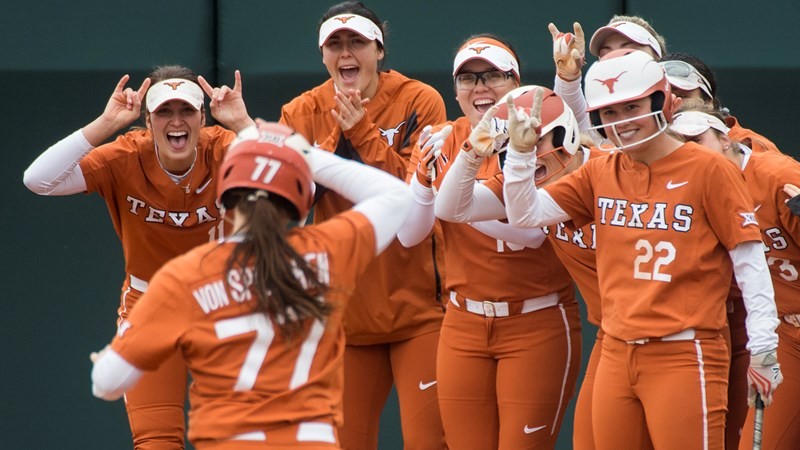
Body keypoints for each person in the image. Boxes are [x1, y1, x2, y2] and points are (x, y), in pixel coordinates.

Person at [499, 49, 782, 449]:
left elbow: (750, 260)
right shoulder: (601, 168)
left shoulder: (709, 167)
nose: (622, 122)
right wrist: (521, 156)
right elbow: (525, 213)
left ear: (660, 101)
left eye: (631, 106)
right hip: (616, 350)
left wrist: (764, 346)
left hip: (685, 350)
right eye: (609, 113)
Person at [91, 122, 414, 449]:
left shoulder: (187, 275)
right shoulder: (325, 251)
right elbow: (398, 195)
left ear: (227, 190)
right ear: (299, 195)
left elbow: (107, 383)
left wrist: (111, 357)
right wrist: (302, 155)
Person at [23, 65, 254, 449]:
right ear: (147, 121)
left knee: (235, 439)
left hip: (223, 303)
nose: (176, 121)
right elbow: (38, 180)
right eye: (164, 112)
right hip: (150, 304)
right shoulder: (126, 155)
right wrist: (105, 123)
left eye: (187, 111)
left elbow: (305, 176)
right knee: (155, 440)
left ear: (203, 118)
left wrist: (245, 123)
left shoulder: (227, 147)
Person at [278, 2, 448, 448]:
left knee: (429, 442)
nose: (346, 52)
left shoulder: (419, 99)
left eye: (357, 42)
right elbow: (287, 204)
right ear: (322, 55)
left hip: (419, 309)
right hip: (346, 314)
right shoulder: (302, 111)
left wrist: (364, 134)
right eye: (335, 44)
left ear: (379, 49)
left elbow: (418, 194)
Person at [402, 36, 582, 449]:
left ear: (516, 82)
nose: (479, 87)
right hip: (463, 319)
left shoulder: (545, 134)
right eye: (467, 78)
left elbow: (531, 234)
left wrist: (456, 191)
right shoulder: (444, 138)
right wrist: (427, 183)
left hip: (535, 317)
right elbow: (409, 234)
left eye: (493, 76)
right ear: (455, 89)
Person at [670, 107, 800, 449]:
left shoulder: (775, 173)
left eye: (698, 141)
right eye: (683, 148)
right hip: (789, 335)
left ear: (725, 140)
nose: (693, 154)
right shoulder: (692, 192)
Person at [548, 15, 666, 138]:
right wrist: (567, 77)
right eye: (606, 53)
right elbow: (572, 122)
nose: (616, 58)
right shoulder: (603, 120)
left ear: (657, 56)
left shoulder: (682, 98)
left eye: (628, 51)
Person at [660, 52, 783, 154]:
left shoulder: (754, 146)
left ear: (709, 103)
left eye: (683, 96)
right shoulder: (645, 145)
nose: (672, 103)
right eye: (661, 97)